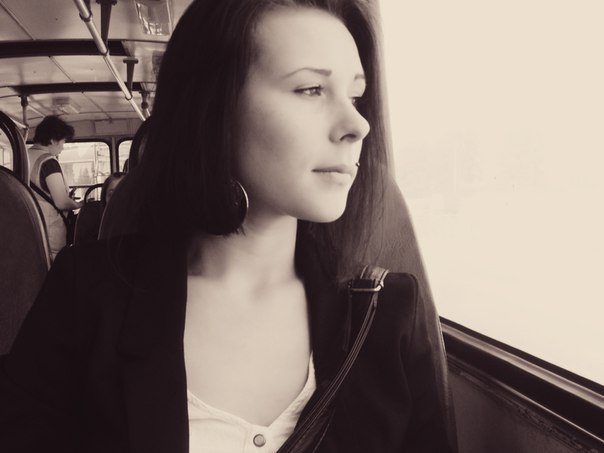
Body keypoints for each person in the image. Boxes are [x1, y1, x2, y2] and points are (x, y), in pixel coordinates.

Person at [0, 1, 454, 452]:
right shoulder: (85, 296)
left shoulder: (387, 314)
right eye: (311, 89)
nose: (357, 125)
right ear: (211, 106)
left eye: (355, 97)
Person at [27, 115, 82, 259]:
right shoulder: (48, 162)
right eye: (62, 142)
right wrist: (79, 204)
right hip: (50, 234)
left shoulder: (23, 156)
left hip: (29, 229)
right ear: (52, 140)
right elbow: (61, 202)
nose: (62, 148)